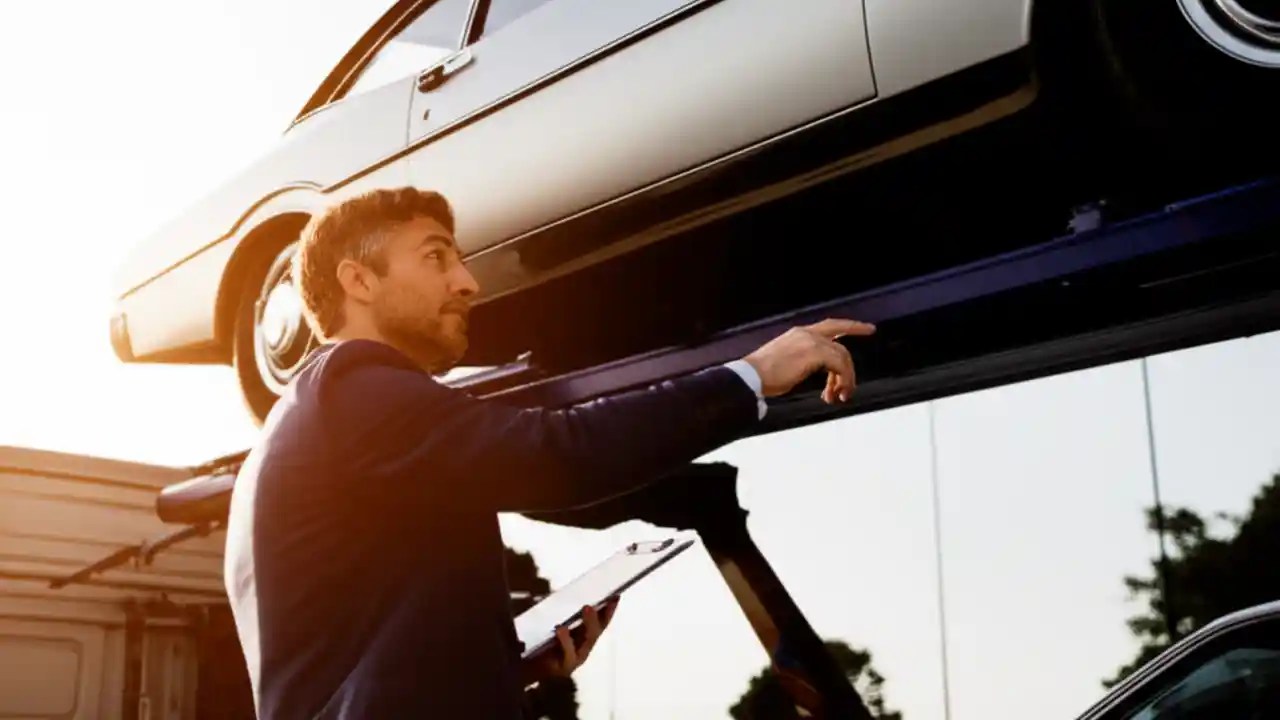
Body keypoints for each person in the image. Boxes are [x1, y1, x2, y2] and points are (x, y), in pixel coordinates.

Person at [222, 186, 876, 719]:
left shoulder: (311, 423)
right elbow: (558, 453)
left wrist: (510, 666)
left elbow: (360, 650)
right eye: (436, 258)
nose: (467, 282)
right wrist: (751, 375)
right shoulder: (352, 387)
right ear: (358, 281)